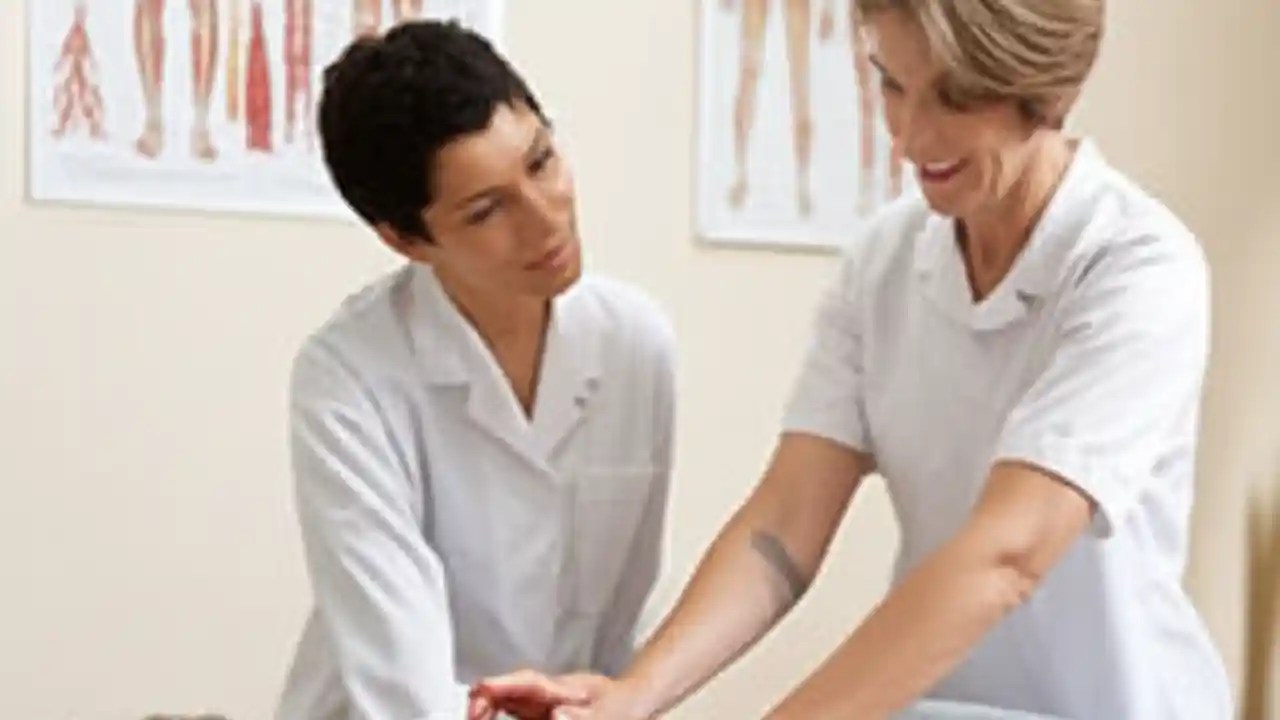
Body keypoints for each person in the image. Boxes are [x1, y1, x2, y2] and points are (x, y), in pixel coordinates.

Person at [476, 0, 1234, 717]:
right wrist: (631, 696)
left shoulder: (1136, 267)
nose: (908, 137)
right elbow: (783, 527)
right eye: (891, 85)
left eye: (953, 98)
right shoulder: (887, 259)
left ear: (1042, 90)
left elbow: (1008, 556)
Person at [275, 21, 676, 720]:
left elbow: (614, 633)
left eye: (542, 161)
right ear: (405, 239)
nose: (543, 217)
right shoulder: (348, 378)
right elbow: (404, 685)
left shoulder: (635, 345)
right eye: (488, 210)